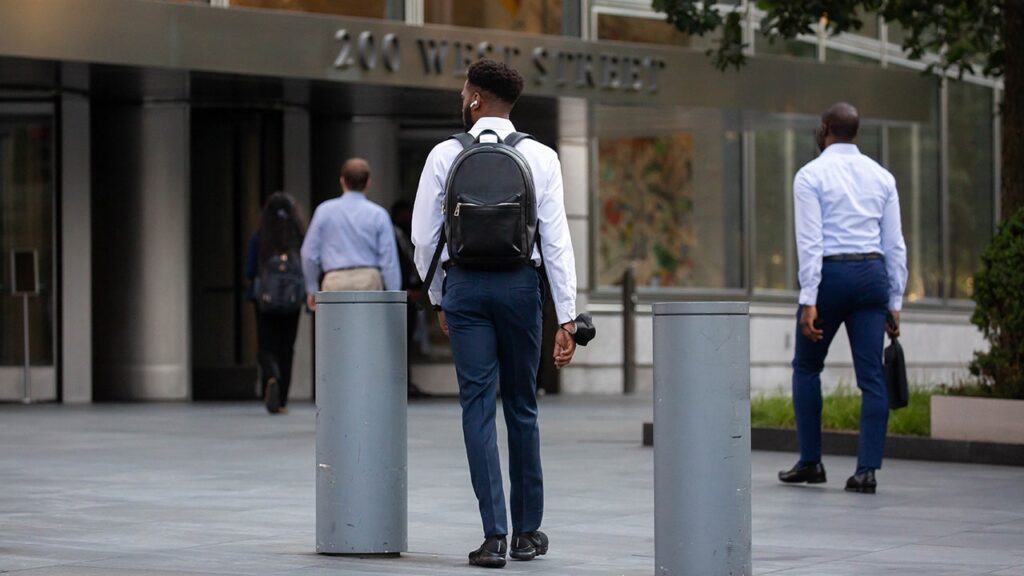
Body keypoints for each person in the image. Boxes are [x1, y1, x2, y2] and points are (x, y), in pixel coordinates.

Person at [411, 59, 578, 568]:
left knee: (476, 409)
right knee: (522, 406)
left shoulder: (444, 154)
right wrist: (566, 315)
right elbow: (556, 240)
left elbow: (423, 241)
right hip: (520, 289)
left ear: (477, 99)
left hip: (465, 289)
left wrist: (442, 296)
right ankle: (529, 531)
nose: (461, 97)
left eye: (465, 90)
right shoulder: (542, 156)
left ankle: (494, 537)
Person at [778, 102, 907, 494]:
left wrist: (809, 298)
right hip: (871, 276)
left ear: (825, 129)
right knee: (871, 376)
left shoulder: (810, 175)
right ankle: (866, 471)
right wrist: (895, 299)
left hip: (830, 277)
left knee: (806, 367)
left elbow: (810, 241)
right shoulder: (882, 177)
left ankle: (811, 461)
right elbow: (894, 244)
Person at [301, 158, 401, 310]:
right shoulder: (378, 214)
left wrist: (312, 288)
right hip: (368, 281)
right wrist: (394, 296)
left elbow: (308, 254)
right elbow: (389, 260)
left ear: (342, 181)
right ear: (368, 182)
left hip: (334, 281)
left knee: (334, 333)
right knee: (367, 332)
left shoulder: (324, 211)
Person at [246, 192, 306, 414]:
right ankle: (281, 400)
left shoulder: (260, 237)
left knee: (266, 345)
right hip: (291, 301)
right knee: (287, 348)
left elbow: (250, 269)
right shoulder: (299, 239)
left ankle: (271, 374)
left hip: (265, 301)